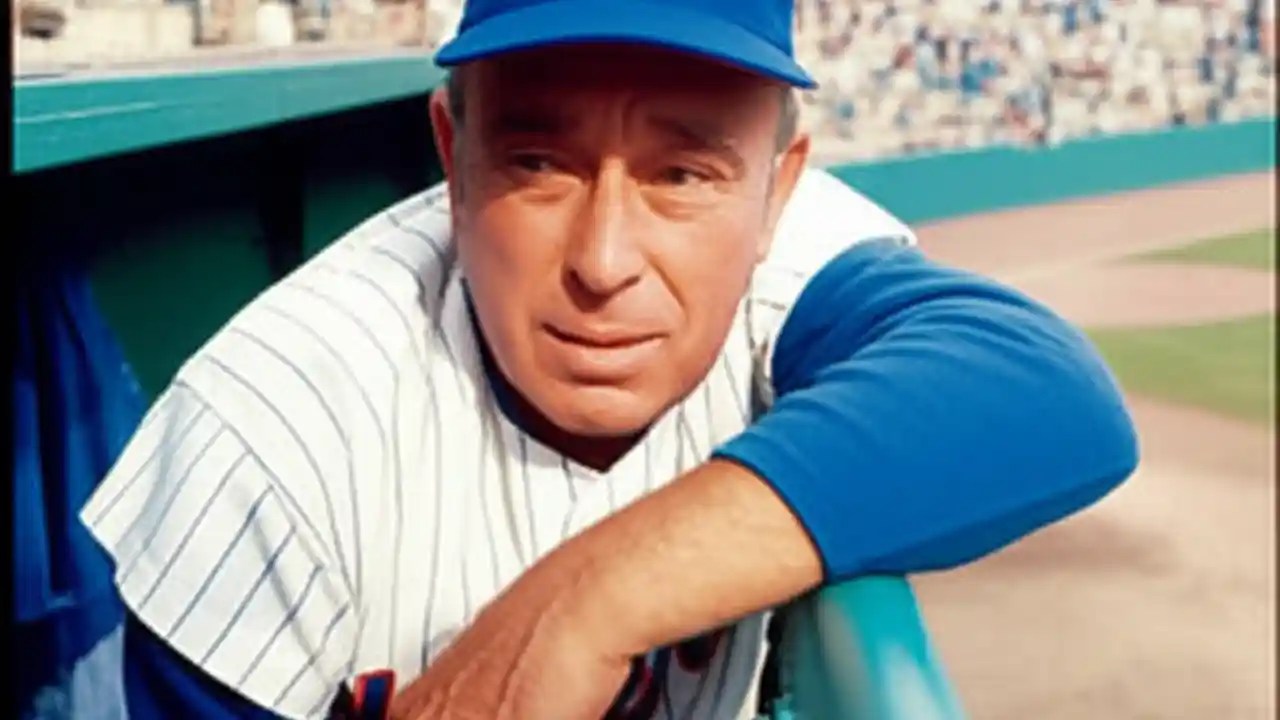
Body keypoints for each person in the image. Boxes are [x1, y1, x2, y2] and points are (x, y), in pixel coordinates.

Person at [80, 0, 1140, 718]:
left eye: (682, 174)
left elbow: (1050, 395)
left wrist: (583, 600)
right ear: (453, 157)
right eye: (538, 163)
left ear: (778, 191)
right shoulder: (269, 428)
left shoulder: (789, 264)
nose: (603, 260)